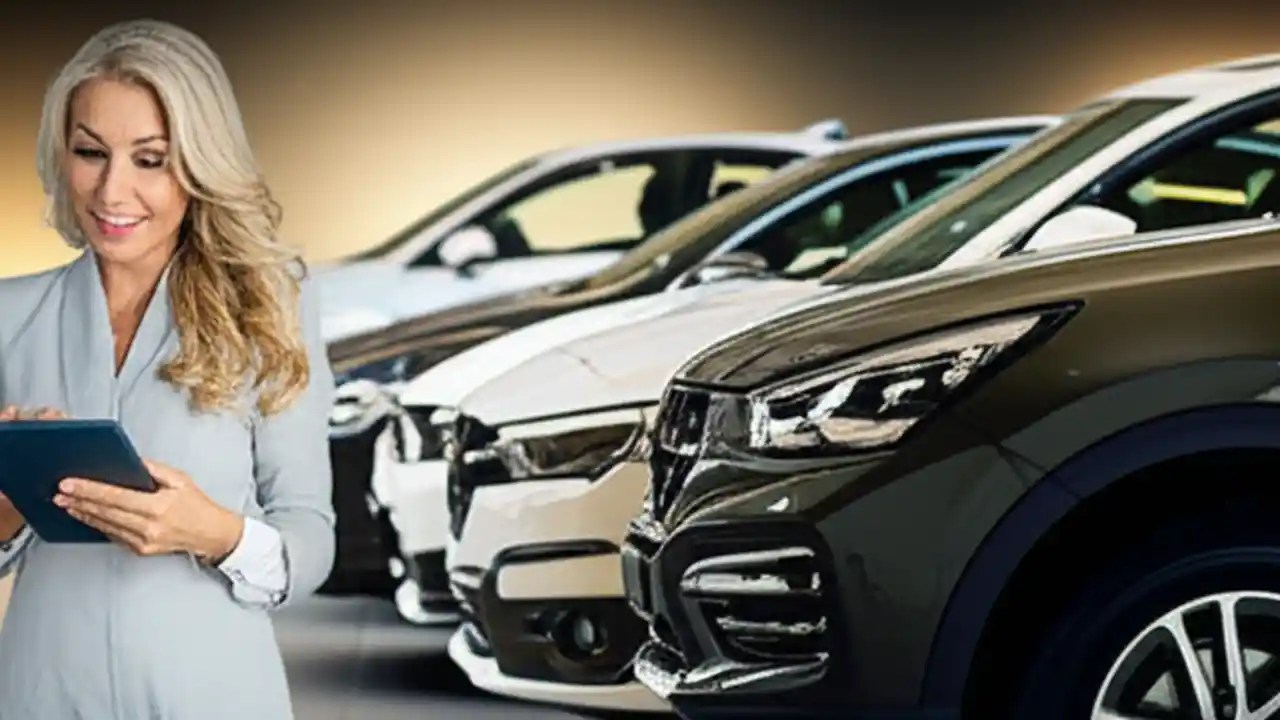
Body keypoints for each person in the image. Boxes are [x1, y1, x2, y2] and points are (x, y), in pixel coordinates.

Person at [0, 19, 335, 719]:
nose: (111, 191)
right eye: (90, 152)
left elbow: (310, 535)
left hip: (212, 694)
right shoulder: (10, 315)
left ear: (198, 164)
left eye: (149, 159)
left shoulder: (272, 310)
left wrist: (215, 534)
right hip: (41, 692)